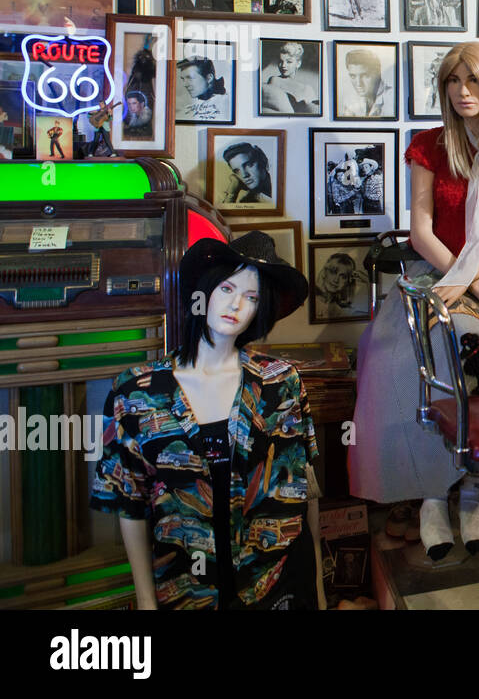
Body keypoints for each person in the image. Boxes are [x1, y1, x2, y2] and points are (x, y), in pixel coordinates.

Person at [350, 41, 479, 562]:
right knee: (402, 355)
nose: (463, 92)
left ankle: (472, 494)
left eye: (474, 81)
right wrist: (465, 281)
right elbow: (420, 231)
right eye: (453, 82)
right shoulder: (429, 145)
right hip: (434, 267)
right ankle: (433, 495)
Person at [91, 232, 316, 610]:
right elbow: (129, 504)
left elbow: (305, 491)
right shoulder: (136, 393)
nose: (236, 305)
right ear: (203, 292)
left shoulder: (281, 382)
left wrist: (319, 596)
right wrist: (146, 602)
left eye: (252, 297)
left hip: (277, 587)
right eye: (227, 288)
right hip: (186, 591)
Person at [262, 40, 320, 114]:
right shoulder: (275, 80)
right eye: (280, 61)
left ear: (298, 64)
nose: (283, 65)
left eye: (289, 62)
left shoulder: (307, 89)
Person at [342, 48, 392, 118]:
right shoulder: (350, 101)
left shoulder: (392, 98)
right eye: (353, 76)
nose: (358, 84)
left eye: (364, 76)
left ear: (377, 73)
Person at [314, 253, 367, 319]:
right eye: (333, 272)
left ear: (347, 282)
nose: (336, 280)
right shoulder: (311, 301)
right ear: (324, 272)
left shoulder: (340, 310)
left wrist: (367, 280)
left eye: (343, 276)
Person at [177, 56, 227, 120]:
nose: (185, 84)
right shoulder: (192, 106)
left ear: (209, 78)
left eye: (190, 78)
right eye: (183, 79)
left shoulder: (223, 103)